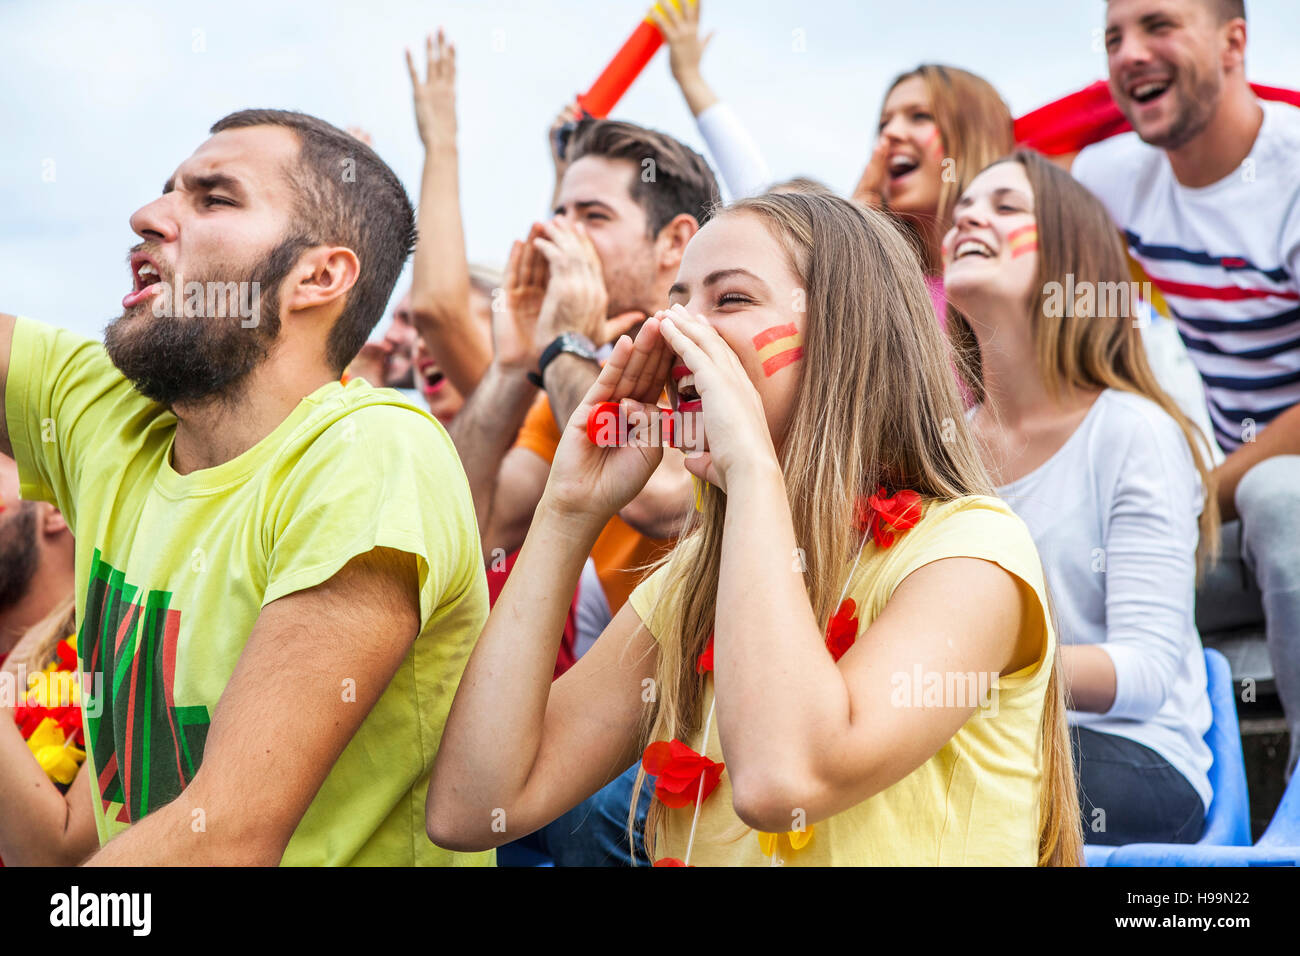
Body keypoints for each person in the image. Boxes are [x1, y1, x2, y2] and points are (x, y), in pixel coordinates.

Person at [427, 191, 1083, 867]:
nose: (675, 330)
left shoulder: (972, 554)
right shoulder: (697, 579)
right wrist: (568, 512)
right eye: (677, 301)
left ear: (844, 338)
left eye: (730, 299)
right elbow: (474, 806)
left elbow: (786, 782)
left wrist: (753, 472)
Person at [0, 109, 492, 866]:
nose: (146, 216)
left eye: (214, 198)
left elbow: (224, 839)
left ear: (318, 276)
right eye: (166, 191)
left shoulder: (368, 453)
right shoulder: (110, 413)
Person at [946, 149, 1219, 844]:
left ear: (1073, 255)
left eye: (1006, 206)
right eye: (964, 208)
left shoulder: (1134, 433)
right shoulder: (943, 448)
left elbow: (1148, 672)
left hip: (1135, 759)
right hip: (978, 732)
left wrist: (966, 670)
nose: (968, 216)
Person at [1071, 0, 1300, 774]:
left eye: (1158, 26)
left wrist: (1193, 497)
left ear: (1235, 41)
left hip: (1264, 502)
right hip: (1221, 521)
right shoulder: (1110, 179)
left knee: (1279, 495)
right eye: (1113, 38)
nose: (1129, 54)